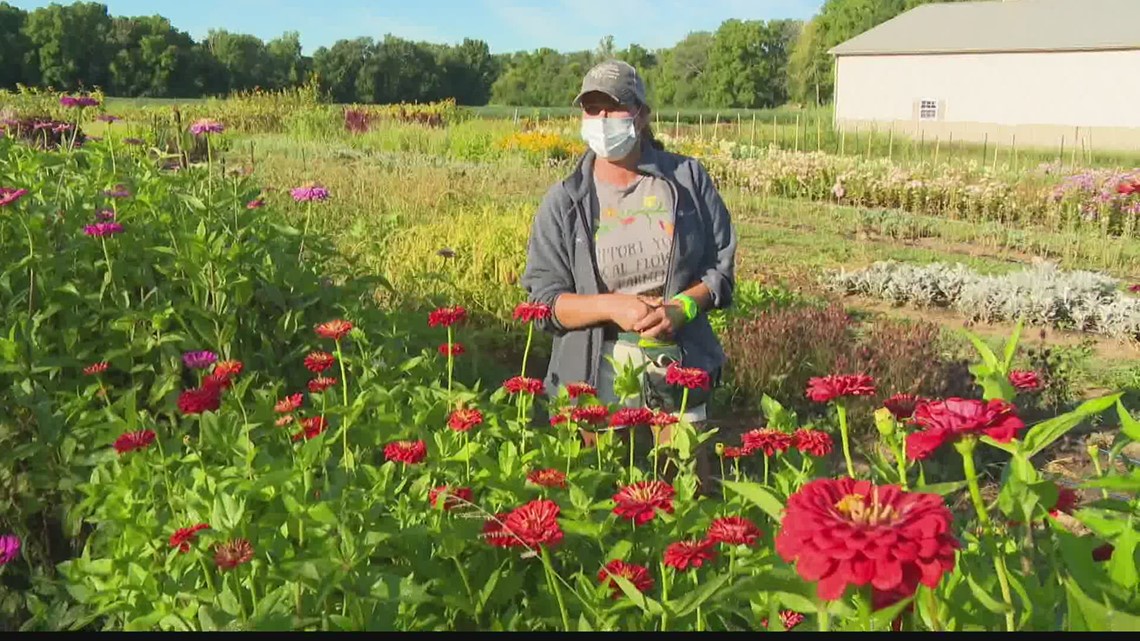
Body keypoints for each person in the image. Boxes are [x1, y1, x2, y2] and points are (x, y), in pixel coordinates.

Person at [520, 59, 738, 488]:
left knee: (686, 490)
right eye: (592, 109)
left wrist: (681, 310)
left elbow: (721, 273)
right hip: (592, 372)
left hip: (676, 365)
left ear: (641, 114)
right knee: (599, 492)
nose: (601, 120)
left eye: (613, 108)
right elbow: (542, 303)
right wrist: (611, 306)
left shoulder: (686, 180)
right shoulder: (566, 201)